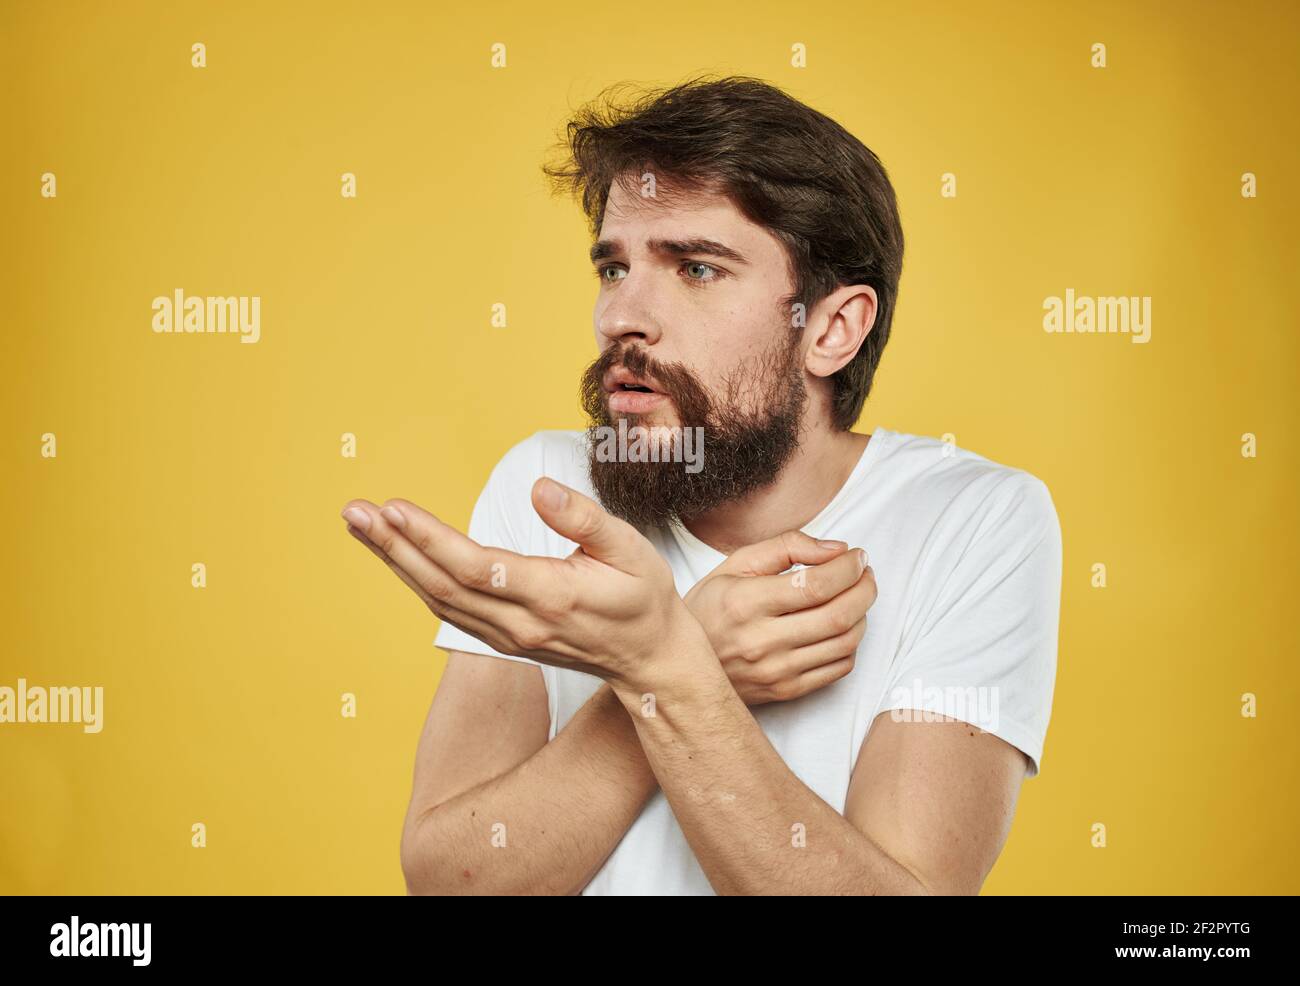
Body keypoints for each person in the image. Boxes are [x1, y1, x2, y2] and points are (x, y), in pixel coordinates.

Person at [341, 75, 1062, 895]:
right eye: (614, 269)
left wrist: (664, 670)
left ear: (830, 328)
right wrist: (679, 663)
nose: (620, 319)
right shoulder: (546, 488)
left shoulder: (972, 521)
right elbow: (456, 886)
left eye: (696, 269)